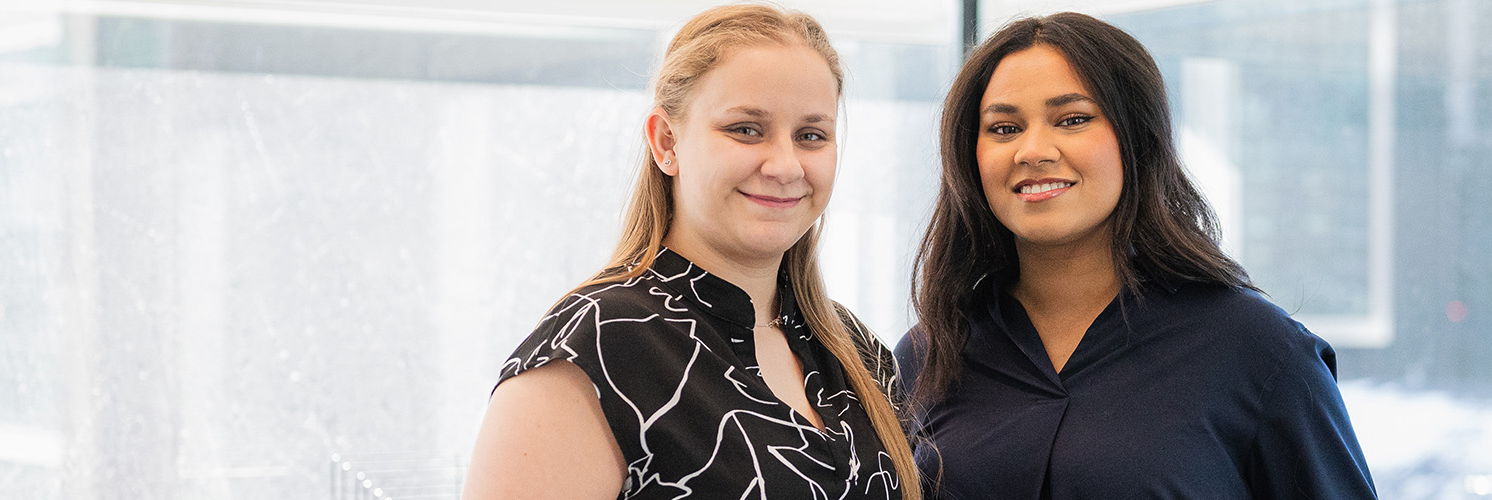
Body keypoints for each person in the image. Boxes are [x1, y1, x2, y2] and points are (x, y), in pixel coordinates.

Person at [897, 12, 1376, 499]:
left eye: (1073, 119)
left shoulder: (1260, 351)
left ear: (1136, 140)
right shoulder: (927, 356)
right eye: (1003, 128)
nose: (1033, 150)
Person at [462, 5, 919, 499]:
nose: (786, 165)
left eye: (811, 136)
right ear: (666, 142)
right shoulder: (590, 352)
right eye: (746, 129)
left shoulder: (858, 352)